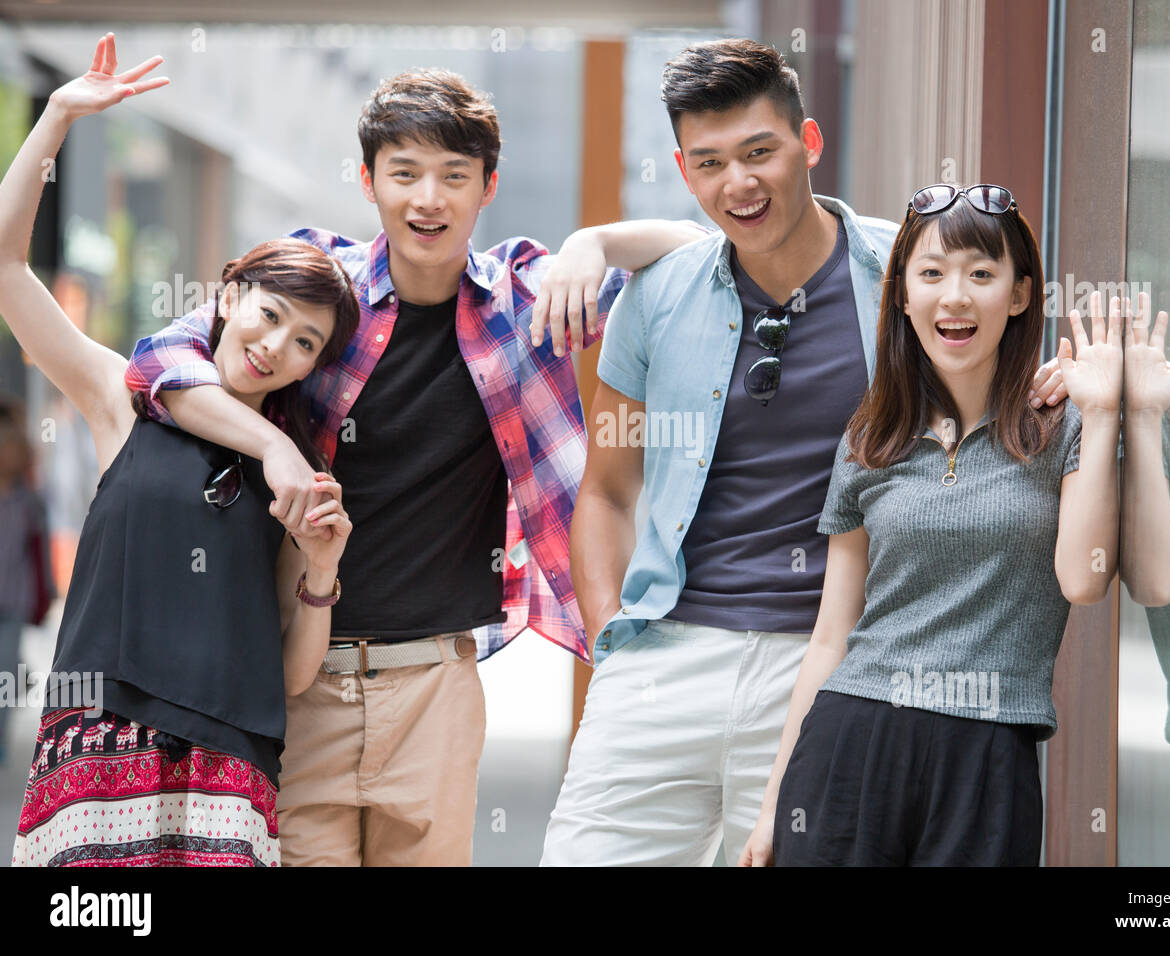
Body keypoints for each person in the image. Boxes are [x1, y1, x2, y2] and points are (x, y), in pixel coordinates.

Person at [124, 60, 705, 864]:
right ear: (369, 182)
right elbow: (157, 363)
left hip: (435, 686)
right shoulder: (320, 294)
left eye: (452, 175)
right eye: (404, 173)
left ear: (486, 187)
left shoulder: (526, 300)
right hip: (296, 678)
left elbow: (700, 253)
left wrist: (596, 241)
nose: (427, 198)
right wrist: (275, 450)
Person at [541, 41, 1069, 867]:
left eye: (760, 152)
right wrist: (614, 643)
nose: (738, 184)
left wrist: (1093, 388)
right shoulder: (658, 296)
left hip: (829, 671)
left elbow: (996, 358)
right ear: (684, 171)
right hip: (663, 658)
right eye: (710, 163)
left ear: (809, 143)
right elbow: (608, 493)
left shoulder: (902, 274)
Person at [739, 182, 1170, 866]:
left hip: (988, 758)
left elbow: (1083, 579)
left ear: (1019, 294)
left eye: (981, 273)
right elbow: (831, 636)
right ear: (903, 295)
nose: (956, 295)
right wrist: (773, 804)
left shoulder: (1063, 427)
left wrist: (1112, 417)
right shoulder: (871, 437)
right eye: (932, 273)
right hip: (851, 744)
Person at [3, 34, 358, 867]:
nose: (276, 347)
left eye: (305, 342)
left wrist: (320, 571)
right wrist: (55, 114)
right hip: (97, 742)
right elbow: (8, 266)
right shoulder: (120, 397)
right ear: (230, 296)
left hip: (228, 762)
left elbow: (295, 674)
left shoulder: (297, 474)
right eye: (269, 315)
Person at [0, 401, 49, 767]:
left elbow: (38, 552)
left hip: (12, 600)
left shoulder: (29, 502)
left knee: (4, 672)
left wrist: (43, 595)